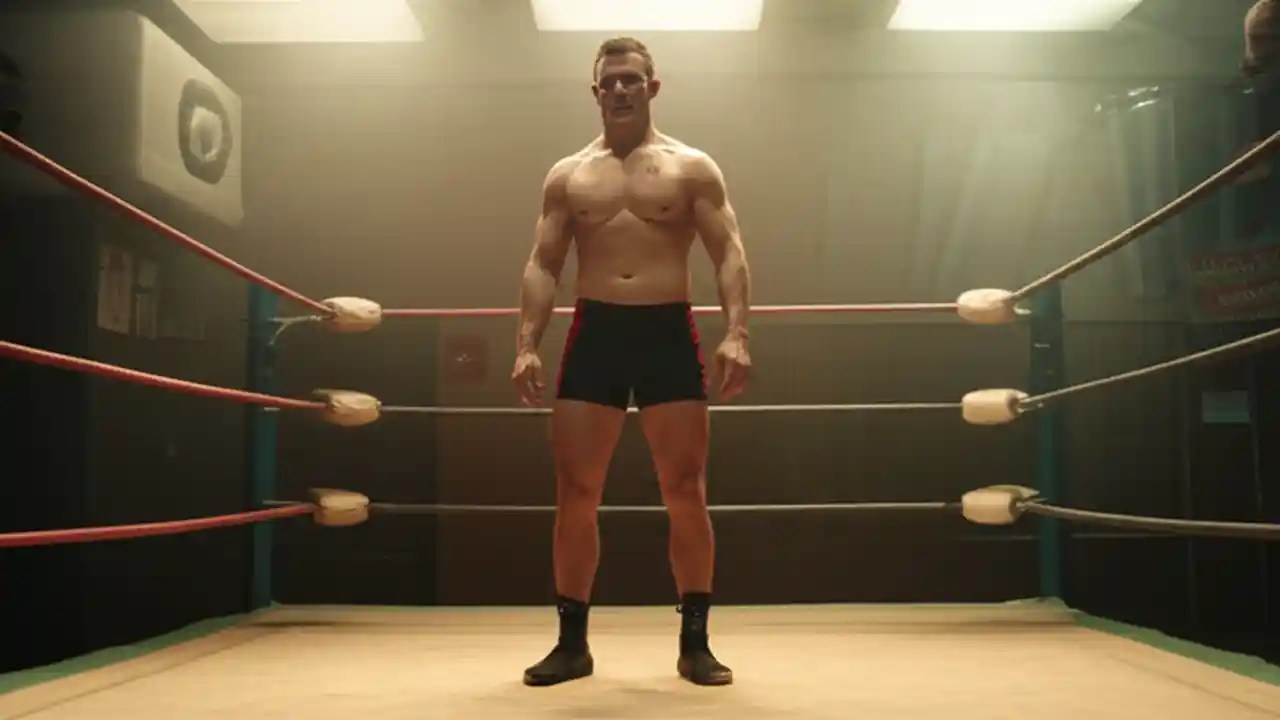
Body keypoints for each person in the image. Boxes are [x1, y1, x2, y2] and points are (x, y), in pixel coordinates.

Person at [510, 36, 751, 687]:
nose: (620, 90)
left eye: (631, 80)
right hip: (597, 332)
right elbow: (544, 263)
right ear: (595, 92)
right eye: (609, 81)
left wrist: (737, 332)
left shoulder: (690, 167)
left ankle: (695, 643)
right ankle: (572, 644)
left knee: (685, 489)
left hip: (667, 328)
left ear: (652, 87)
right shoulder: (567, 175)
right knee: (576, 492)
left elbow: (728, 250)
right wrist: (526, 343)